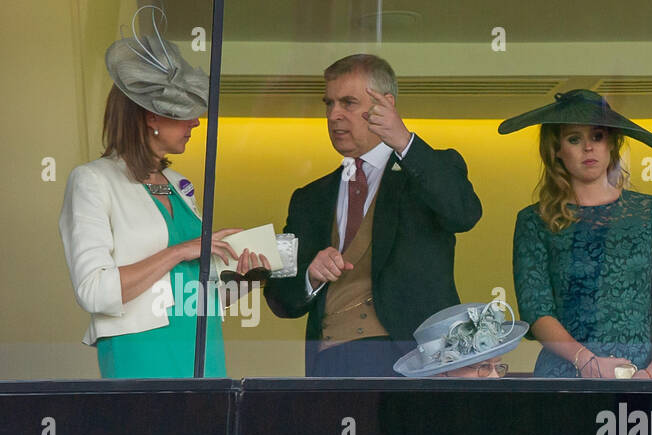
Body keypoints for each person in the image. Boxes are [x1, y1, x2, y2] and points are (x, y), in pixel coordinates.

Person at [59, 5, 265, 378]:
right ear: (151, 115)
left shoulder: (179, 186)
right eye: (185, 111)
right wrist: (181, 250)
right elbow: (94, 290)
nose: (196, 122)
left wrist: (248, 279)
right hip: (141, 348)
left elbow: (204, 297)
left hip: (203, 345)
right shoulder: (92, 181)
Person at [264, 54, 483, 377]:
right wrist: (310, 275)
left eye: (348, 103)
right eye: (329, 104)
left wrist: (405, 143)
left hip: (417, 360)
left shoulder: (430, 168)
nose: (334, 115)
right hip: (331, 361)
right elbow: (279, 295)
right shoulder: (307, 199)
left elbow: (465, 214)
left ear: (386, 105)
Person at [500, 90, 652, 379]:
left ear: (612, 144)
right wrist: (586, 361)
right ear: (557, 149)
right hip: (565, 375)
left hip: (644, 377)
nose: (588, 148)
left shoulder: (651, 212)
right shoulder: (534, 221)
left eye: (598, 136)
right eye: (574, 139)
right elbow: (536, 311)